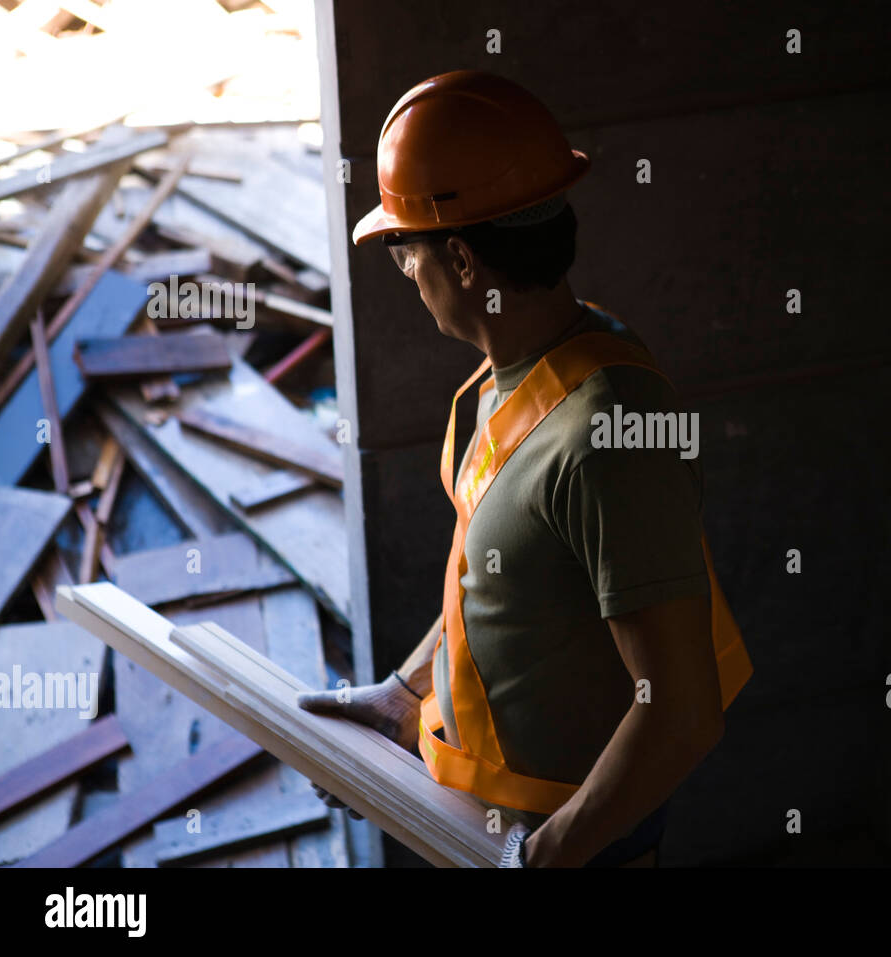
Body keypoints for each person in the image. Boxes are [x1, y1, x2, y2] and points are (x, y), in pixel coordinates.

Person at [299, 70, 751, 867]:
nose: (407, 274)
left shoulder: (611, 432)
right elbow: (506, 572)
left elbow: (681, 710)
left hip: (575, 834)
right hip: (496, 813)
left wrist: (544, 857)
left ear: (465, 262)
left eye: (407, 253)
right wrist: (407, 695)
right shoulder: (515, 374)